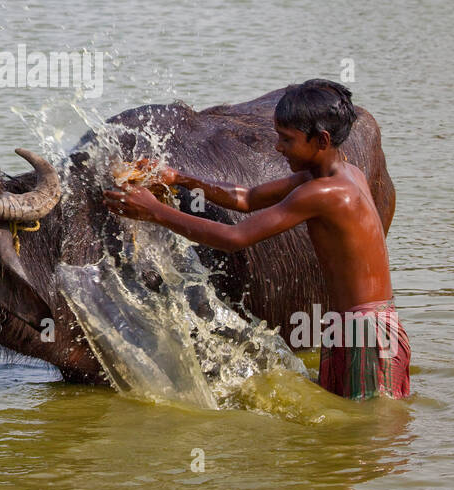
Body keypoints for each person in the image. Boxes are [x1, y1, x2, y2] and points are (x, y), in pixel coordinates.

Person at [103, 79, 409, 400]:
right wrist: (179, 177)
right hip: (346, 326)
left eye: (287, 139)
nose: (278, 147)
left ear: (322, 140)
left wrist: (153, 211)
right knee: (348, 429)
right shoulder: (335, 175)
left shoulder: (325, 193)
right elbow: (246, 198)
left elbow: (235, 237)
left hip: (367, 332)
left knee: (373, 433)